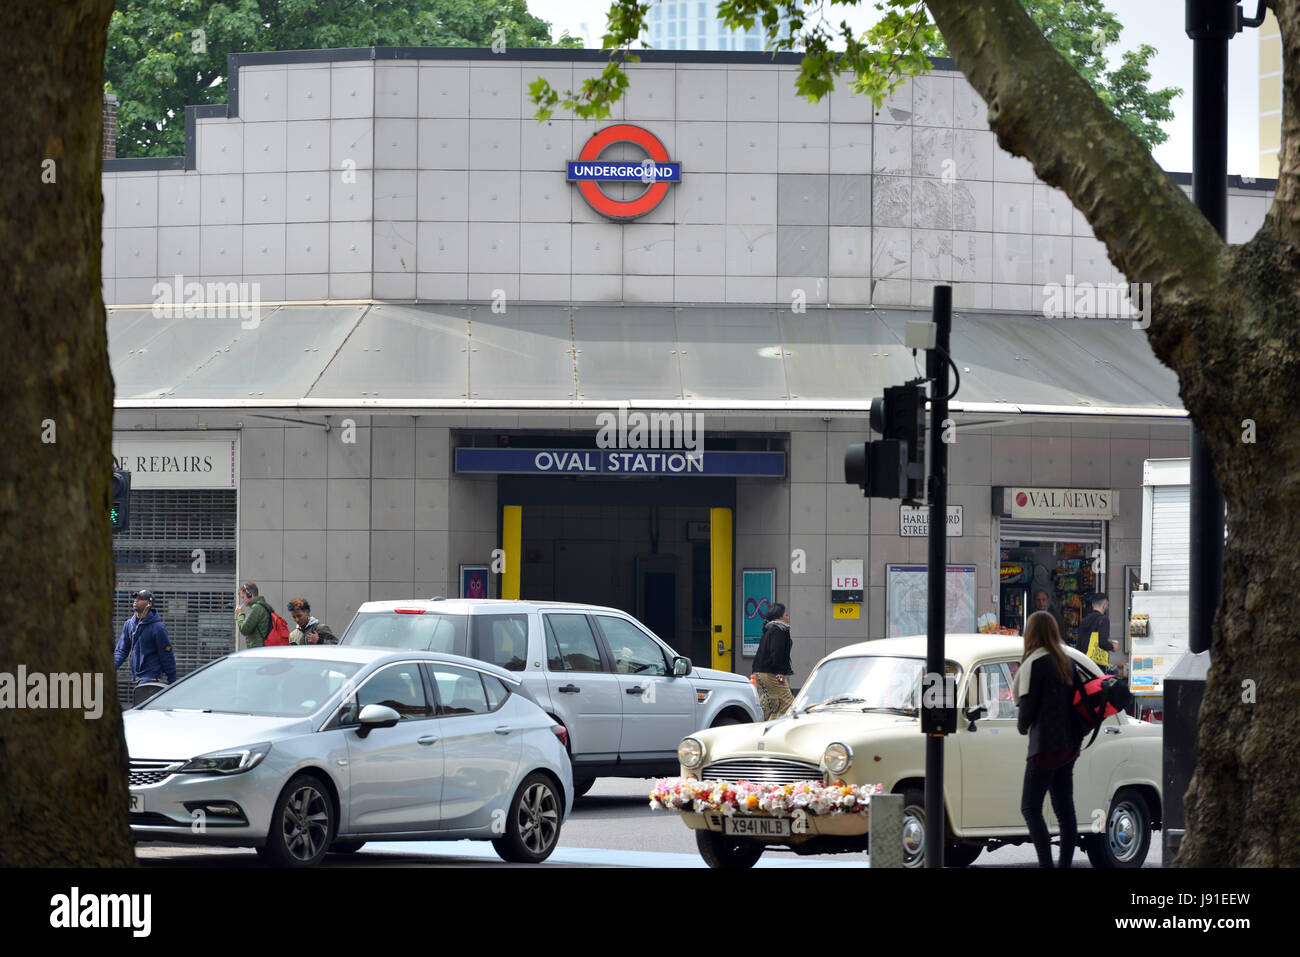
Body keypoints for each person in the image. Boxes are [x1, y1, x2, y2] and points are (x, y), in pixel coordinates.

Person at [1012, 610, 1102, 868]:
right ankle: (1063, 864)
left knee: (1030, 807)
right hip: (1070, 746)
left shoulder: (1032, 665)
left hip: (1044, 748)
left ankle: (1046, 865)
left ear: (1030, 634)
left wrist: (1023, 722)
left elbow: (1024, 719)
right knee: (1065, 811)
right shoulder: (1066, 661)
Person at [114, 589, 177, 686]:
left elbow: (166, 655)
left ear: (149, 604)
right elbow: (121, 651)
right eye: (135, 598)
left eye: (140, 599)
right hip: (136, 679)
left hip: (151, 678)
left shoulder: (158, 628)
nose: (136, 600)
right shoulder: (129, 624)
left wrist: (173, 681)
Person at [751, 603, 794, 720]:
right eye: (786, 614)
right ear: (780, 617)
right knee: (788, 703)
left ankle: (764, 727)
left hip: (762, 672)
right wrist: (779, 674)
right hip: (772, 673)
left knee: (773, 706)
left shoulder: (771, 629)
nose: (788, 617)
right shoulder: (779, 630)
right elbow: (777, 652)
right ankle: (772, 729)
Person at [1077, 592, 1114, 673]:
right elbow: (1102, 643)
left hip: (1083, 662)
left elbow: (1078, 644)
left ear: (1093, 604)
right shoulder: (1104, 620)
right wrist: (1112, 646)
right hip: (1096, 665)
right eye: (1107, 605)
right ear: (1104, 605)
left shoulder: (1084, 620)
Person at [235, 582, 278, 648]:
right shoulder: (263, 606)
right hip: (263, 648)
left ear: (249, 595)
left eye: (243, 597)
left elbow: (244, 629)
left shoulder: (256, 608)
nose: (242, 601)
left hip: (258, 649)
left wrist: (240, 614)